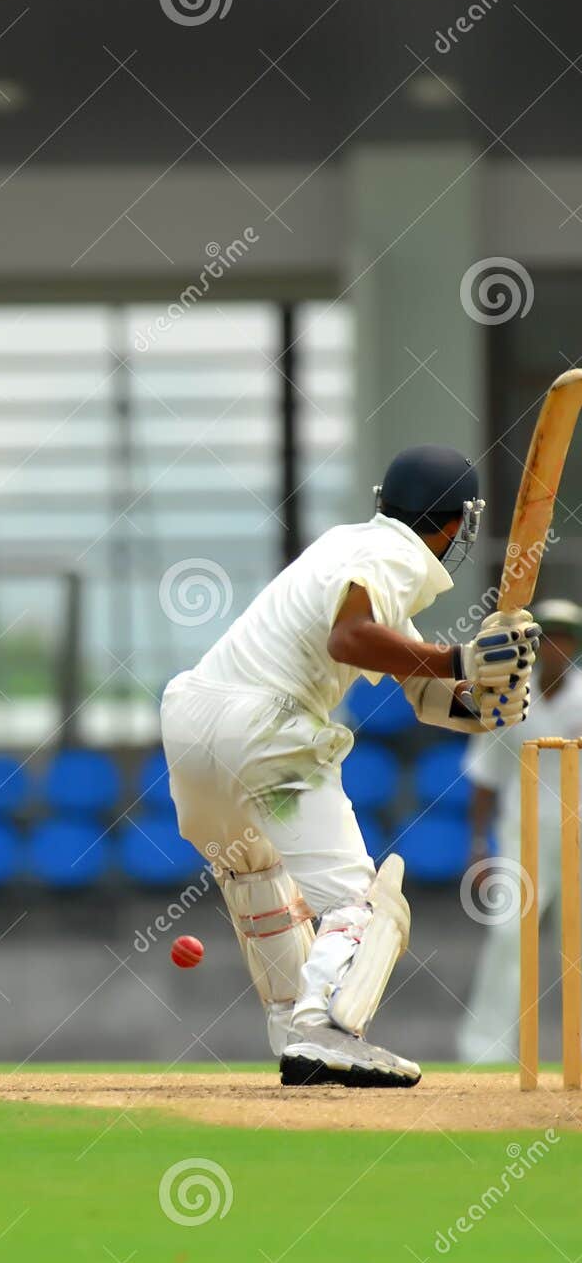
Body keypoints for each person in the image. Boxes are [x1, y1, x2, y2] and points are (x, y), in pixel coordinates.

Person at [161, 445, 539, 1089]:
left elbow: (422, 691)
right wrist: (461, 660)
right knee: (365, 905)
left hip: (195, 727)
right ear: (455, 522)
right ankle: (325, 1029)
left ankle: (294, 1029)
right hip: (267, 734)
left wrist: (489, 702)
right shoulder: (394, 556)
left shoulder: (351, 546)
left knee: (256, 874)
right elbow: (351, 639)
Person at [457, 598, 582, 1065]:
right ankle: (485, 1053)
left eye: (565, 637)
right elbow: (485, 777)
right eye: (547, 637)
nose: (556, 647)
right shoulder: (508, 698)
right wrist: (477, 846)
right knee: (509, 938)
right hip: (520, 838)